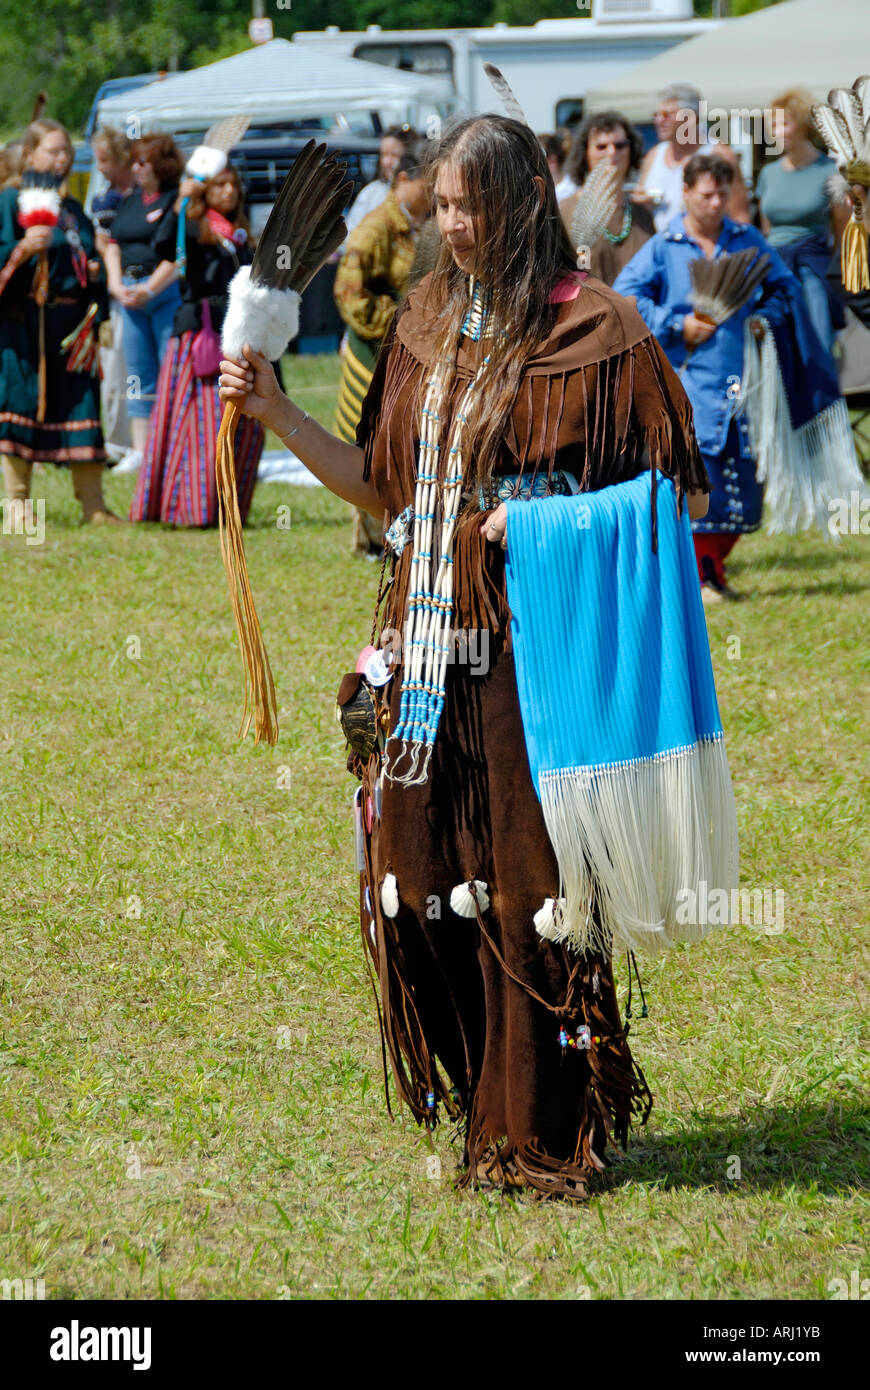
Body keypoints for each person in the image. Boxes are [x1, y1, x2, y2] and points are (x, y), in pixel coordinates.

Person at [219, 115, 715, 1199]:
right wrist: (277, 410)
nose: (453, 223)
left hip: (532, 667)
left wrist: (533, 525)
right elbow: (383, 485)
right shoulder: (427, 321)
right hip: (421, 657)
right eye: (442, 204)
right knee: (417, 886)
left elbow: (664, 501)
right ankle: (483, 1104)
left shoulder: (598, 332)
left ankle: (544, 1122)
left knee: (534, 897)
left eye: (471, 205)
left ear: (525, 200)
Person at [614, 153, 802, 600]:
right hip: (689, 379)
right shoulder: (666, 244)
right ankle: (701, 577)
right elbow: (626, 293)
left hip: (743, 380)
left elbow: (785, 287)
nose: (716, 203)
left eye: (723, 193)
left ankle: (712, 571)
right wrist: (678, 325)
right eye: (706, 195)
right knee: (701, 480)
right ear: (686, 194)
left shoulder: (746, 238)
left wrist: (763, 317)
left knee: (744, 482)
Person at [130, 164, 263, 527]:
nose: (229, 191)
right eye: (220, 184)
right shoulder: (193, 227)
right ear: (205, 191)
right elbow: (163, 247)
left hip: (238, 334)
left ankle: (229, 510)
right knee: (203, 425)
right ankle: (191, 509)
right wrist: (179, 203)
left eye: (234, 185)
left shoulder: (239, 233)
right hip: (200, 336)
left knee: (243, 423)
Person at [0, 118, 116, 523]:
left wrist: (95, 269)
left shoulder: (70, 209)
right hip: (26, 325)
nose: (63, 158)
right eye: (53, 150)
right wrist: (20, 249)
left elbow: (85, 251)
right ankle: (17, 506)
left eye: (67, 150)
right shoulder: (9, 200)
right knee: (22, 405)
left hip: (71, 331)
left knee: (82, 405)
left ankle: (94, 506)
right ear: (29, 154)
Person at [333, 141, 431, 554]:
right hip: (375, 349)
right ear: (405, 179)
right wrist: (398, 319)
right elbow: (347, 292)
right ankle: (371, 535)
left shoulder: (426, 224)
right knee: (369, 437)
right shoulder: (376, 226)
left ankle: (401, 526)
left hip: (413, 348)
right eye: (430, 183)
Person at [102, 134, 183, 469]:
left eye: (142, 162)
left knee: (171, 369)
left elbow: (179, 253)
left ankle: (175, 443)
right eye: (133, 161)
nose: (135, 168)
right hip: (129, 294)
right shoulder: (129, 199)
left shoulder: (176, 199)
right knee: (136, 373)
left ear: (160, 166)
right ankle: (140, 449)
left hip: (163, 293)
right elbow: (112, 244)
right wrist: (115, 283)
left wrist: (150, 288)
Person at [756, 91, 847, 358]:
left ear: (802, 125)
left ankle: (824, 399)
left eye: (784, 123)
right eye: (773, 125)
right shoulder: (768, 173)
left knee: (818, 345)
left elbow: (841, 233)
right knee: (777, 345)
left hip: (812, 267)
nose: (777, 131)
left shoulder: (830, 172)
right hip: (774, 268)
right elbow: (767, 228)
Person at [559, 110, 656, 285]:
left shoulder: (643, 213)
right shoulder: (565, 212)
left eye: (620, 145)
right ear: (585, 152)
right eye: (601, 146)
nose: (612, 152)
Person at [635, 84, 750, 232]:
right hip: (661, 248)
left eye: (666, 115)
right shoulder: (654, 155)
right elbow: (639, 198)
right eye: (656, 115)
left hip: (707, 249)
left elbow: (740, 215)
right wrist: (640, 202)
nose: (659, 121)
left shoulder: (719, 154)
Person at [90, 127, 135, 469]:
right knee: (115, 369)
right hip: (115, 296)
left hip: (149, 291)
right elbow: (106, 246)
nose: (100, 167)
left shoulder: (144, 195)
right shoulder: (104, 202)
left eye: (104, 159)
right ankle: (119, 442)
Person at [344, 126, 417, 236]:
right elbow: (350, 235)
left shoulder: (418, 195)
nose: (387, 162)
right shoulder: (371, 193)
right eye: (384, 154)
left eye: (394, 155)